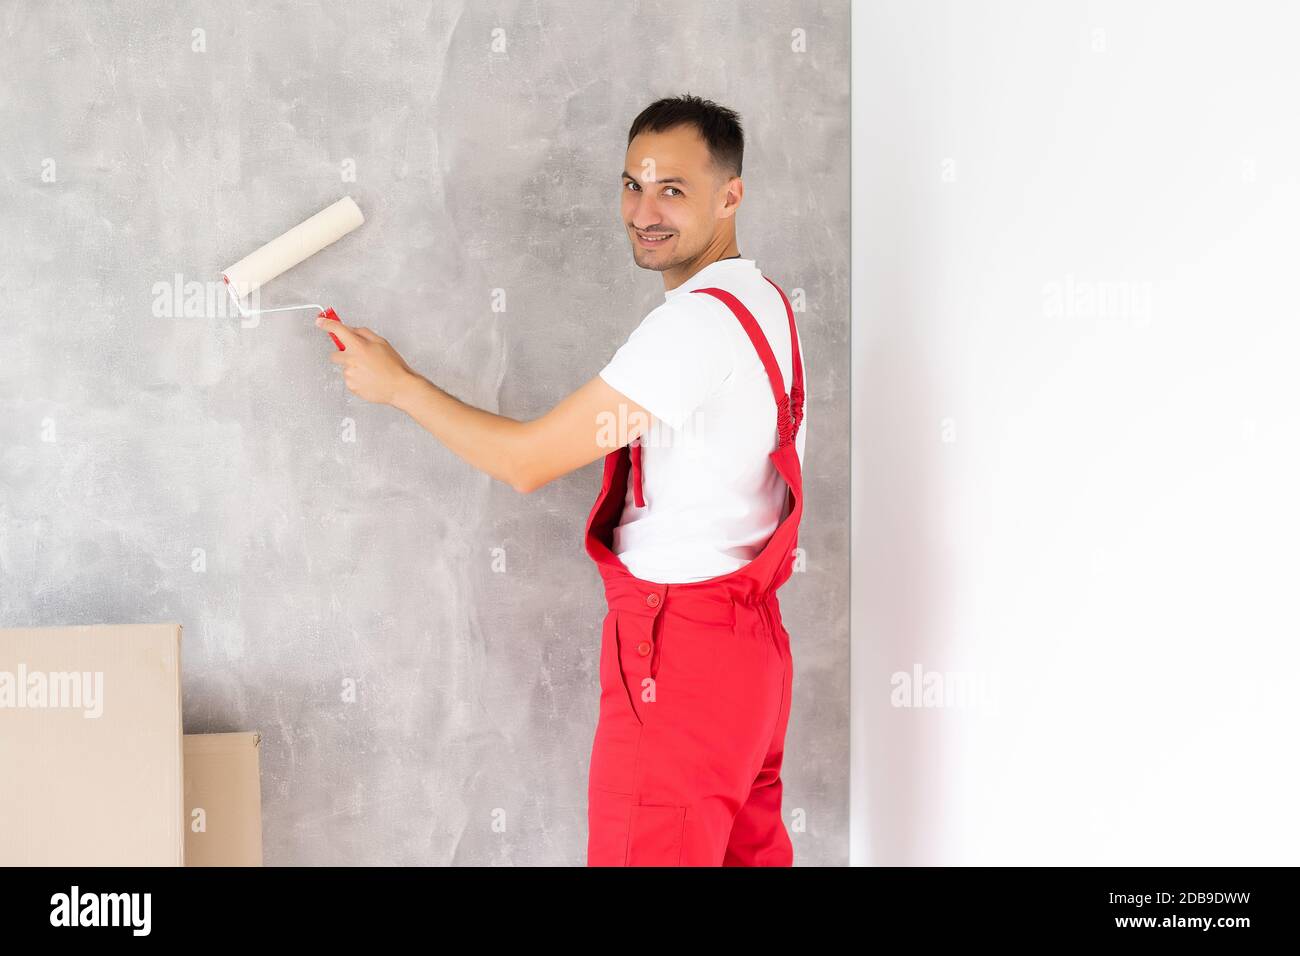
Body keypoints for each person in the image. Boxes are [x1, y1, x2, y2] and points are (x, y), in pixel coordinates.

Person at [318, 94, 807, 866]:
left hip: (678, 657)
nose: (643, 211)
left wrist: (399, 385)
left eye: (672, 190)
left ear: (731, 195)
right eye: (631, 185)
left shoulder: (692, 327)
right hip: (750, 660)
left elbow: (527, 462)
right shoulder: (765, 305)